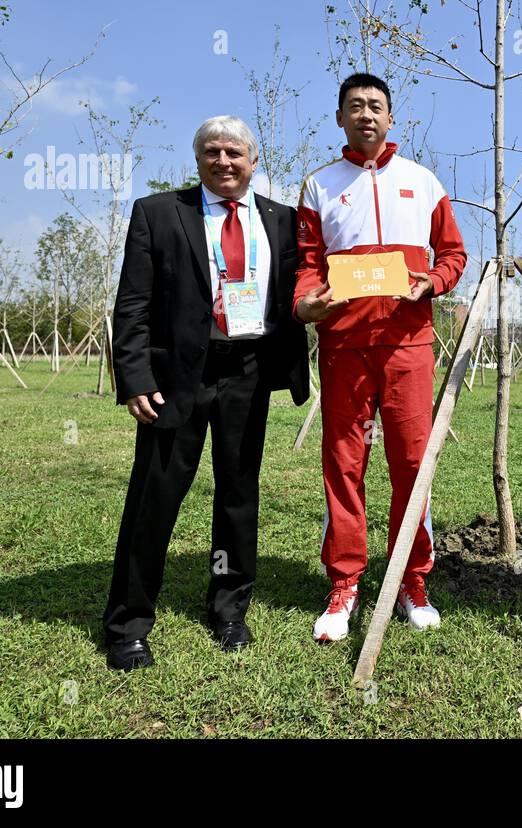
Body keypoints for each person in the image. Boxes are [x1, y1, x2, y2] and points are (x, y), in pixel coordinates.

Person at [104, 115, 310, 671]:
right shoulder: (159, 213)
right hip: (177, 380)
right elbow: (132, 303)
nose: (223, 162)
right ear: (197, 160)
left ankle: (229, 607)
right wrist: (136, 376)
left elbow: (303, 291)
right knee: (156, 496)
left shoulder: (283, 221)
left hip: (249, 372)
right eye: (212, 152)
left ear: (253, 160)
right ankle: (128, 623)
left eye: (233, 153)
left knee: (239, 497)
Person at [295, 72, 466, 643]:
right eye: (355, 106)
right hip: (344, 347)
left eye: (376, 106)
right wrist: (305, 303)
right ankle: (344, 583)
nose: (366, 114)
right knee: (344, 465)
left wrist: (434, 283)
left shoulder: (423, 182)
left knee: (412, 465)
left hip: (408, 345)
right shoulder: (319, 186)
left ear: (392, 118)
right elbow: (308, 263)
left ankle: (411, 580)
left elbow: (455, 252)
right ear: (339, 117)